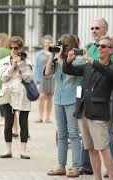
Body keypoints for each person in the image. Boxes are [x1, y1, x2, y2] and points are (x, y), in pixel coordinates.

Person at [63, 36, 113, 180]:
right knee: (91, 149)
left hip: (99, 113)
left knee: (103, 148)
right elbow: (68, 70)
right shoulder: (89, 66)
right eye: (98, 46)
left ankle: (112, 177)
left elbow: (109, 74)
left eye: (103, 46)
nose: (99, 48)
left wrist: (90, 59)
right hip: (84, 111)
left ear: (111, 50)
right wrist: (69, 58)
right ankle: (97, 177)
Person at [80, 18, 113, 177]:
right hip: (87, 102)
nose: (94, 30)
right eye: (92, 28)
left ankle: (112, 171)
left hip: (103, 100)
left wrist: (90, 59)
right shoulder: (89, 47)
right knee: (90, 144)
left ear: (105, 29)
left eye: (97, 28)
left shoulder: (112, 52)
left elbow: (109, 72)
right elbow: (80, 68)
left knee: (106, 140)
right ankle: (91, 171)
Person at [45, 34, 82, 177]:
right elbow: (47, 73)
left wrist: (60, 58)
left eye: (65, 45)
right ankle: (61, 165)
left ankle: (76, 166)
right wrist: (52, 56)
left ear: (71, 46)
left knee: (73, 134)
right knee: (61, 134)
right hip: (58, 100)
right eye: (61, 45)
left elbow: (69, 71)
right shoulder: (57, 59)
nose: (62, 48)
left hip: (72, 100)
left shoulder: (78, 61)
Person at [0, 36, 33, 159]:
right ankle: (8, 150)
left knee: (23, 122)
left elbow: (28, 78)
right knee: (8, 122)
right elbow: (3, 78)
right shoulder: (3, 61)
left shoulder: (27, 61)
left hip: (23, 95)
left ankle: (23, 151)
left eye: (16, 48)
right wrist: (12, 66)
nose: (13, 50)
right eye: (11, 47)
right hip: (8, 94)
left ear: (20, 48)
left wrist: (21, 65)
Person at [34, 35, 55, 123]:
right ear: (43, 43)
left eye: (49, 42)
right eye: (45, 42)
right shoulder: (39, 54)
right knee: (41, 97)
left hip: (52, 77)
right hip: (42, 78)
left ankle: (47, 117)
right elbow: (37, 68)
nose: (47, 44)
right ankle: (40, 116)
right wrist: (36, 80)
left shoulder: (54, 53)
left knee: (50, 97)